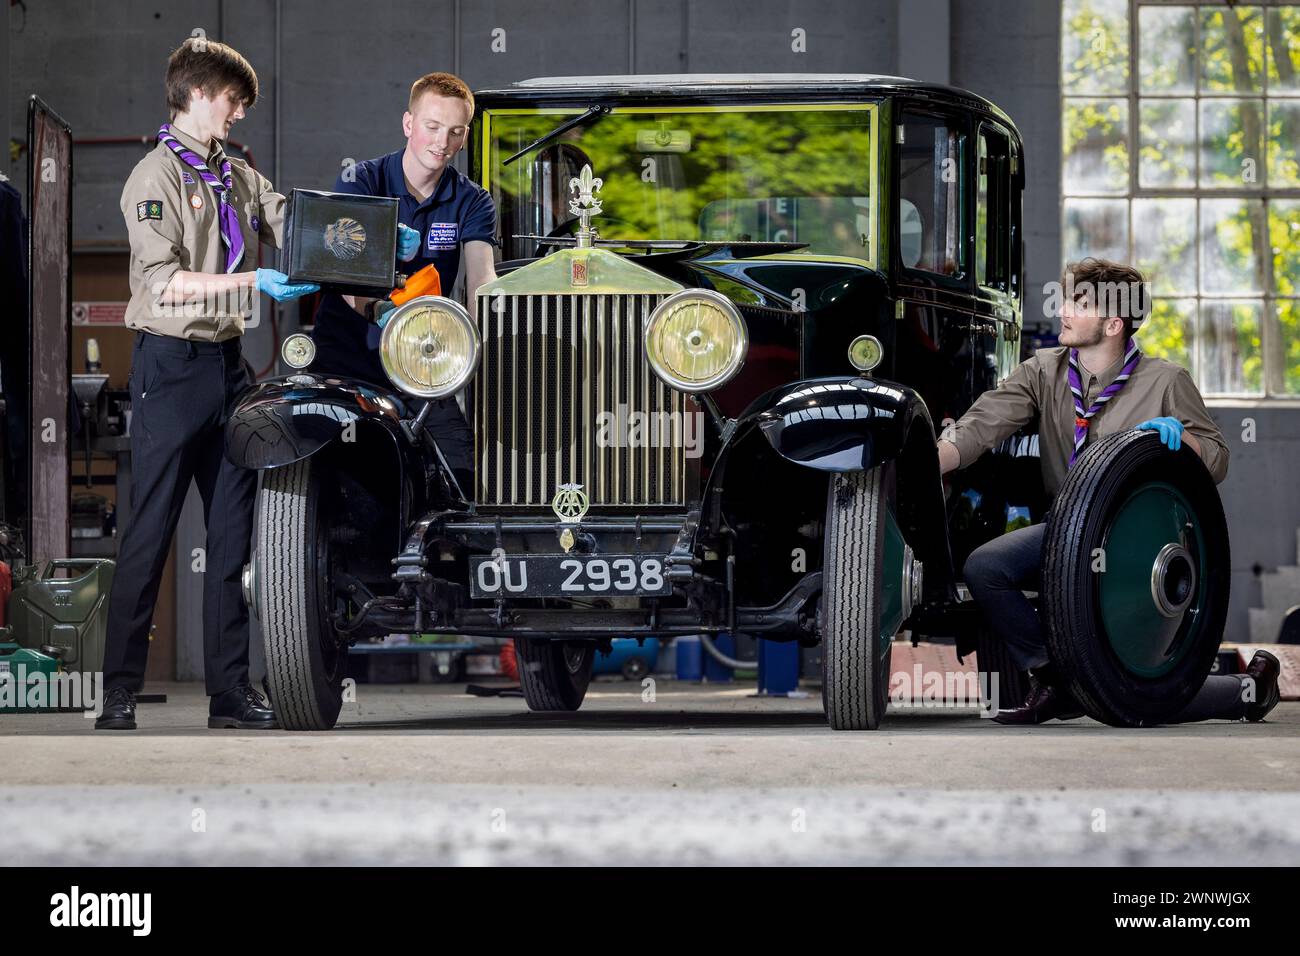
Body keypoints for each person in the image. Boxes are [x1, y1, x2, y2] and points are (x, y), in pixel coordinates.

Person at [938, 257, 1280, 725]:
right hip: (1066, 533)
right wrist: (934, 458)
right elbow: (983, 425)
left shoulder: (1165, 381)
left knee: (1124, 697)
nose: (1063, 311)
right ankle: (1056, 679)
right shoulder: (1044, 370)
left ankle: (1248, 689)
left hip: (1135, 546)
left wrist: (1187, 442)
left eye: (1078, 303)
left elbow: (1218, 458)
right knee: (986, 567)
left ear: (1113, 322)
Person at [96, 38, 319, 731]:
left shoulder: (234, 174)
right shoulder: (151, 180)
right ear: (197, 95)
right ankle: (119, 693)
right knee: (150, 535)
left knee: (232, 537)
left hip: (227, 370)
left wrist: (368, 238)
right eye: (233, 101)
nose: (239, 115)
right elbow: (160, 286)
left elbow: (289, 218)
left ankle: (230, 694)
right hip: (168, 369)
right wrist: (250, 280)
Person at [307, 71, 498, 486]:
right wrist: (380, 310)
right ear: (409, 124)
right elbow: (343, 275)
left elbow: (482, 278)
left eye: (455, 131)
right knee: (336, 475)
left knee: (463, 472)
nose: (442, 142)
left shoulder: (472, 200)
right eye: (432, 127)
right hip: (350, 356)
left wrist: (475, 336)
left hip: (422, 360)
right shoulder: (362, 182)